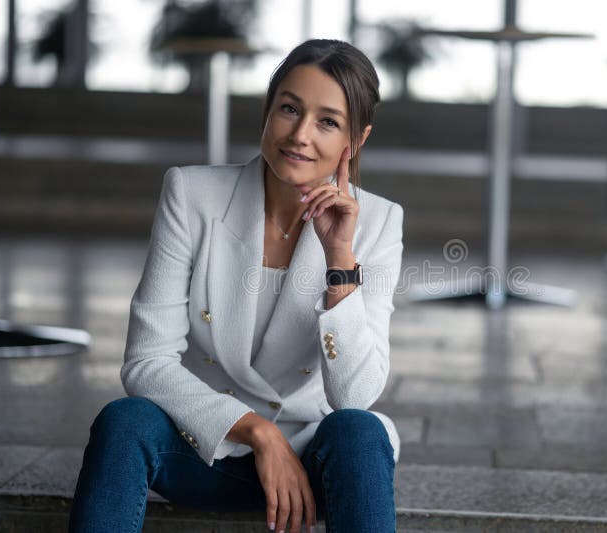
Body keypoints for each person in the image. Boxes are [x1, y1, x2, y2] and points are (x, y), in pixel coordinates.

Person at [69, 39, 403, 533]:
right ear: (268, 111)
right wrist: (257, 433)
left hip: (314, 464)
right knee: (124, 421)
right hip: (206, 445)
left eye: (328, 122)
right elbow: (146, 361)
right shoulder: (192, 194)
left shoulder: (378, 222)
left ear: (356, 139)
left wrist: (339, 258)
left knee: (359, 429)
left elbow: (355, 395)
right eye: (290, 109)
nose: (300, 135)